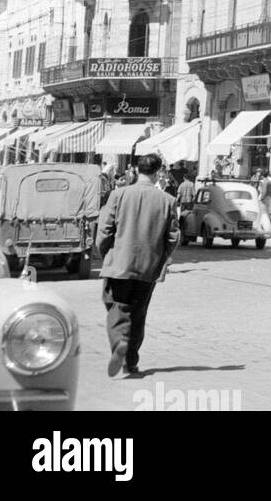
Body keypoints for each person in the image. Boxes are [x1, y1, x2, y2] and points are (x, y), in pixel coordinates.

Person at [96, 151, 179, 378]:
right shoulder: (168, 201)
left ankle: (120, 341)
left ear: (136, 169)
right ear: (158, 172)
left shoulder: (118, 194)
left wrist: (106, 253)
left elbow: (104, 231)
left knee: (117, 306)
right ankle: (130, 362)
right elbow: (172, 238)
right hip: (147, 267)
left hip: (119, 263)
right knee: (139, 312)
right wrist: (160, 259)